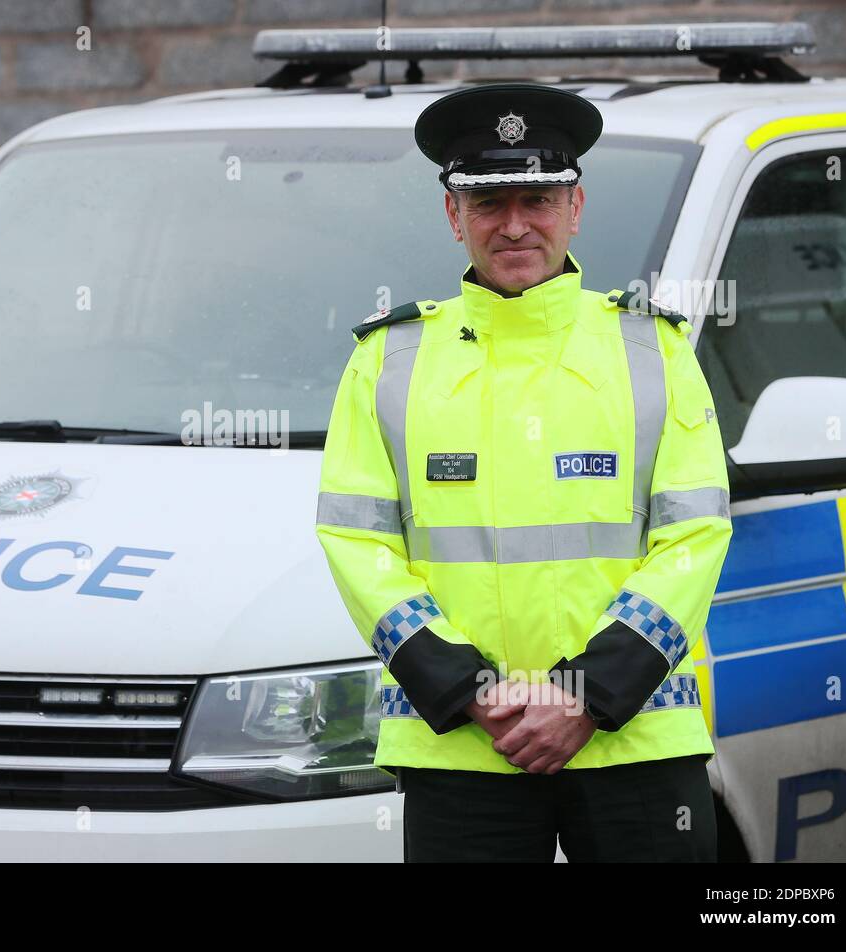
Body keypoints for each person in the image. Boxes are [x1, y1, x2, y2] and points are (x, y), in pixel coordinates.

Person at [314, 83, 733, 862]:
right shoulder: (388, 362)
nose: (514, 225)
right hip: (465, 750)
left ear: (576, 207)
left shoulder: (654, 351)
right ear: (453, 216)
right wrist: (473, 696)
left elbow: (696, 536)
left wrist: (587, 697)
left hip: (633, 740)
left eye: (537, 198)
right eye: (487, 203)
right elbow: (355, 542)